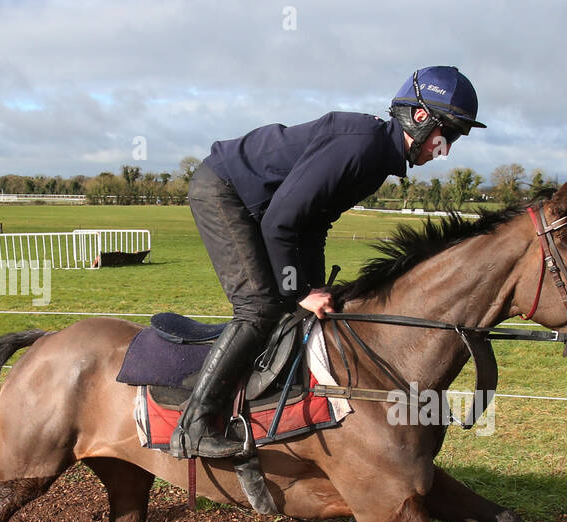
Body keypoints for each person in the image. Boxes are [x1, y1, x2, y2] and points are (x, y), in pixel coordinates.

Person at [172, 66, 486, 459]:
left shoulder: (378, 156)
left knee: (303, 305)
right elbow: (281, 222)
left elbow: (314, 223)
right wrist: (298, 292)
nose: (447, 148)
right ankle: (193, 426)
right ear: (420, 118)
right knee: (259, 307)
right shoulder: (362, 148)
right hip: (222, 190)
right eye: (448, 134)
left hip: (259, 206)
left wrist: (315, 288)